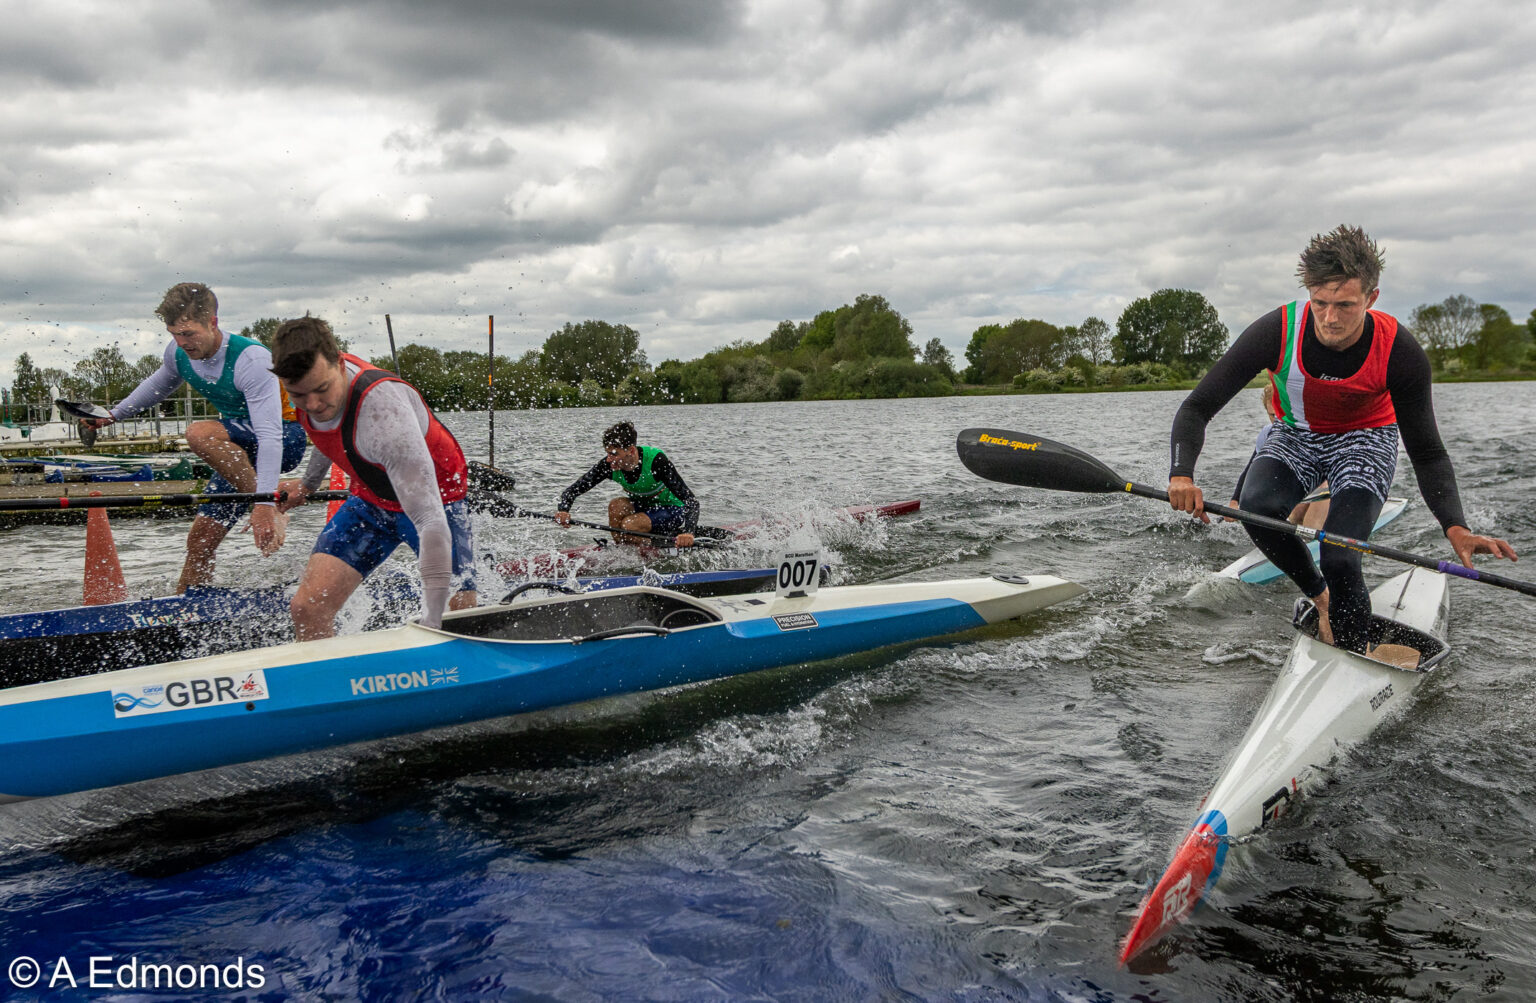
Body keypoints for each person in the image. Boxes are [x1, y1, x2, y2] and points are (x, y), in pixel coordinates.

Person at [1168, 225, 1516, 653]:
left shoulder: (1399, 351)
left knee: (1340, 553)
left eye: (1345, 305)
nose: (1330, 319)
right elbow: (1197, 407)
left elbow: (1427, 453)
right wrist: (1181, 475)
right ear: (1309, 293)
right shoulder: (1276, 330)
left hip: (1364, 439)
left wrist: (1455, 526)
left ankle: (1354, 650)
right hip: (1296, 434)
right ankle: (1320, 597)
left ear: (1371, 298)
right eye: (1320, 303)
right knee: (1257, 510)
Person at [81, 283, 307, 592]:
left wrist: (263, 504)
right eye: (175, 333)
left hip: (284, 436)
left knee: (198, 433)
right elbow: (157, 386)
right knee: (200, 540)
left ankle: (268, 503)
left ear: (213, 322)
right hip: (236, 451)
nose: (182, 343)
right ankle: (187, 608)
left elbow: (269, 437)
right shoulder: (177, 353)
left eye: (189, 334)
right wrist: (112, 416)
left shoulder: (250, 359)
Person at [269, 317, 476, 639]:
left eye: (321, 390)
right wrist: (308, 485)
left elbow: (430, 520)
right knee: (308, 607)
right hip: (369, 500)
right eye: (298, 395)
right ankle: (330, 681)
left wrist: (434, 621)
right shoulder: (312, 393)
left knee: (458, 624)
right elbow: (331, 434)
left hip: (436, 501)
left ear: (339, 362)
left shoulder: (384, 417)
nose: (312, 405)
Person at [556, 421, 699, 547]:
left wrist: (689, 532)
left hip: (673, 510)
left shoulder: (657, 461)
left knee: (630, 525)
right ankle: (624, 550)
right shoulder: (608, 465)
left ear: (631, 450)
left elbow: (691, 501)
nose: (609, 459)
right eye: (608, 453)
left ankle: (653, 547)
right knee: (616, 506)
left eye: (614, 454)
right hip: (645, 509)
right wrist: (564, 510)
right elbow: (572, 491)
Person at [1226, 383, 1329, 530]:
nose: (1278, 420)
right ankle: (1292, 540)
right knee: (1296, 514)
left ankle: (1313, 538)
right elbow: (1250, 469)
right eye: (1273, 415)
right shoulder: (1268, 434)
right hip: (1307, 486)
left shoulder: (1318, 428)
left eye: (1282, 413)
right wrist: (1235, 502)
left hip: (1334, 483)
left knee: (1319, 496)